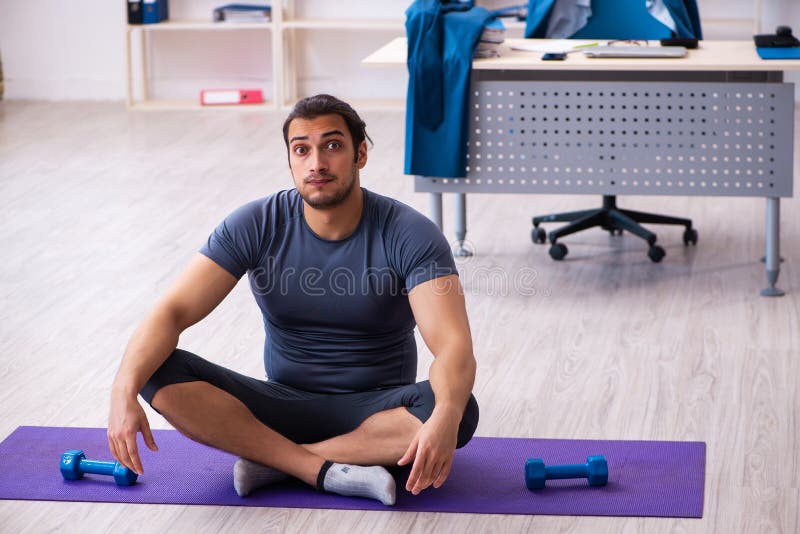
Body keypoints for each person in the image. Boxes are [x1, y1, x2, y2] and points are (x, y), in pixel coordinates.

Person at [107, 94, 479, 506]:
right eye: (302, 150)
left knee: (457, 407)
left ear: (361, 155)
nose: (316, 163)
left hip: (376, 413)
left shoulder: (409, 233)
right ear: (290, 160)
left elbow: (452, 346)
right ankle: (321, 467)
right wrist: (122, 392)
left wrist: (445, 414)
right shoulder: (256, 223)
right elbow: (171, 312)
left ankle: (277, 463)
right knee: (155, 366)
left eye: (332, 146)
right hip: (280, 406)